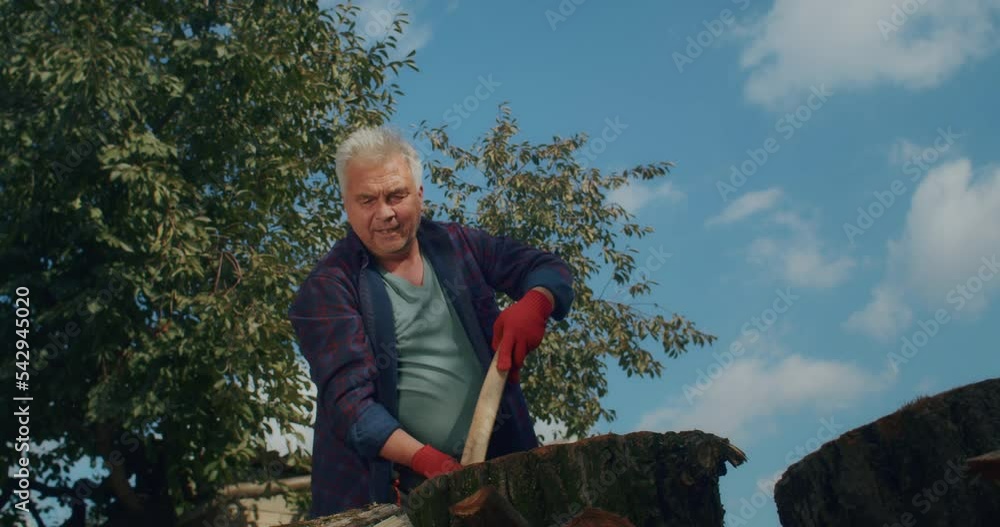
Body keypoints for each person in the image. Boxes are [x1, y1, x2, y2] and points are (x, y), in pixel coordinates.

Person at [288, 126, 575, 517]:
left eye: (396, 196)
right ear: (347, 206)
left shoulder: (458, 245)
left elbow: (543, 266)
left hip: (499, 467)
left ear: (420, 196)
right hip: (392, 496)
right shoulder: (328, 288)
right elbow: (352, 407)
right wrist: (428, 461)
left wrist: (538, 302)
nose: (385, 213)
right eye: (367, 200)